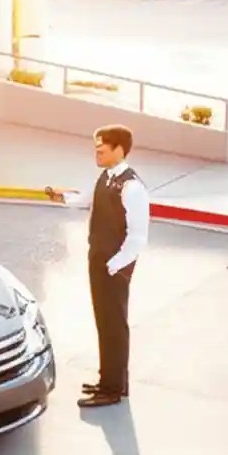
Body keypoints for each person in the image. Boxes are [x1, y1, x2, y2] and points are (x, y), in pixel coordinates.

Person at [45, 124, 149, 408]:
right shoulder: (104, 178)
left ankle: (112, 389)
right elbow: (84, 200)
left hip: (113, 266)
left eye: (102, 149)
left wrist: (113, 266)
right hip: (99, 261)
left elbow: (138, 237)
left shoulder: (132, 187)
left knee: (114, 325)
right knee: (104, 323)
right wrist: (60, 196)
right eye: (96, 148)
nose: (97, 153)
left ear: (119, 149)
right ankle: (111, 380)